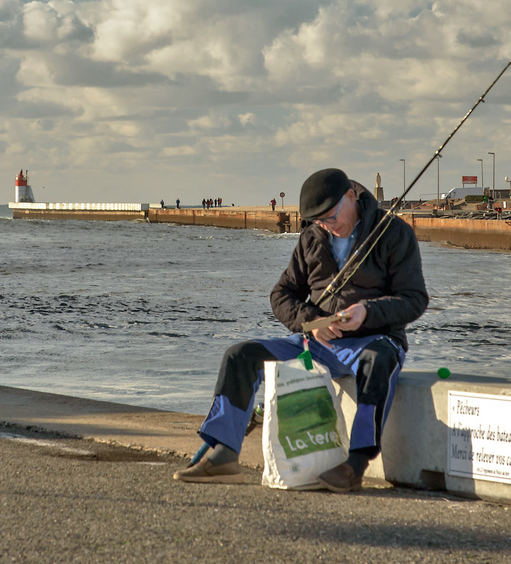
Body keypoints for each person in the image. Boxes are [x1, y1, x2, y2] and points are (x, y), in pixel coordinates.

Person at [175, 168, 429, 493]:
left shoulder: (393, 232)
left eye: (331, 216)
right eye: (319, 220)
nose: (327, 225)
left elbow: (414, 299)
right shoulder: (312, 237)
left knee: (378, 361)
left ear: (351, 196)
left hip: (374, 340)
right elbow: (281, 295)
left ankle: (355, 465)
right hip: (316, 341)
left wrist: (367, 312)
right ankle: (224, 454)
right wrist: (311, 321)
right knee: (241, 355)